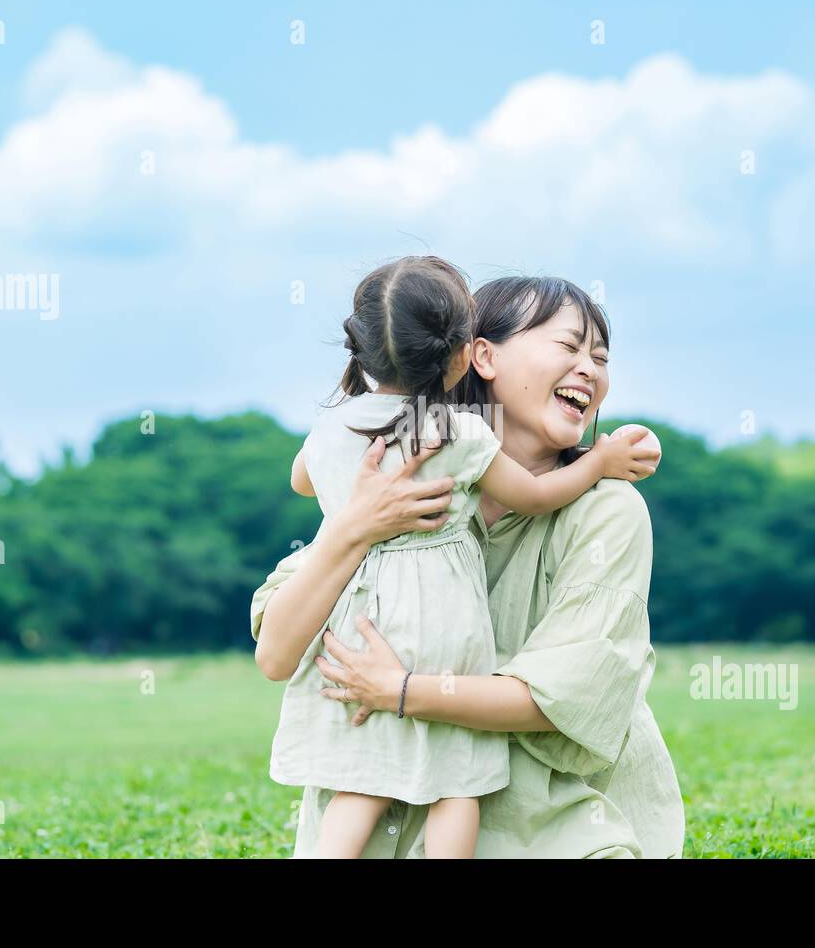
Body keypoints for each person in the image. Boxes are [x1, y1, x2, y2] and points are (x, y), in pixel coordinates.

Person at [253, 275, 684, 858]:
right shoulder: (395, 484)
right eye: (568, 345)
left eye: (600, 357)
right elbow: (277, 654)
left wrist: (402, 690)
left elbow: (561, 701)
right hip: (390, 815)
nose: (590, 369)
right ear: (478, 356)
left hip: (546, 823)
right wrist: (355, 526)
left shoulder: (606, 510)